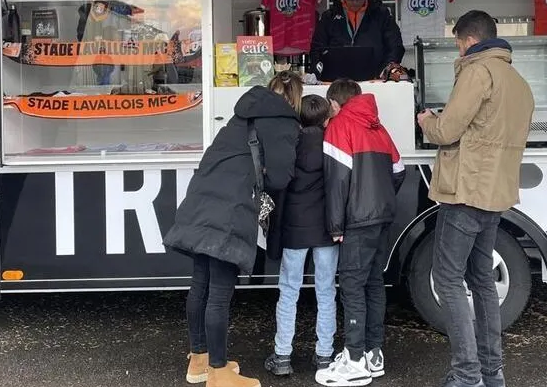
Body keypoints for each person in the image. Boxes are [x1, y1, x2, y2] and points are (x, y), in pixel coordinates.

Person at [415, 11, 535, 387]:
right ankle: (490, 372)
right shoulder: (517, 81)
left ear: (468, 40)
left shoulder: (477, 72)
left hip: (466, 191)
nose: (458, 48)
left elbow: (447, 129)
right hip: (496, 194)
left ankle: (467, 376)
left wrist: (426, 121)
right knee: (481, 279)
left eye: (457, 43)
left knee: (448, 278)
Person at [164, 71, 304, 387]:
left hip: (200, 199)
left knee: (200, 282)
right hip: (230, 210)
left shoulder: (240, 117)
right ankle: (219, 373)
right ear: (294, 99)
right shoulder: (284, 124)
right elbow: (281, 179)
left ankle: (199, 360)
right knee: (220, 293)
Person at [316, 79, 406, 387]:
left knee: (352, 286)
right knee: (373, 284)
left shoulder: (340, 125)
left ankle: (353, 361)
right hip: (382, 219)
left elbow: (337, 181)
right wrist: (381, 200)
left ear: (336, 104)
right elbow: (399, 170)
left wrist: (336, 225)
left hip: (356, 221)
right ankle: (373, 353)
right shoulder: (378, 127)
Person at [264, 94, 340, 377]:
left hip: (295, 229)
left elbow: (277, 185)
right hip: (326, 229)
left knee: (288, 292)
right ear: (326, 118)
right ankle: (324, 355)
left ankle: (282, 355)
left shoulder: (289, 146)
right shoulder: (334, 144)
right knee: (326, 292)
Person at [309, 0, 405, 80]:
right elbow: (317, 48)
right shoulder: (329, 16)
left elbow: (395, 46)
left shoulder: (381, 14)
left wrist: (385, 70)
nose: (354, 2)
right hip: (336, 81)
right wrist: (316, 72)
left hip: (374, 79)